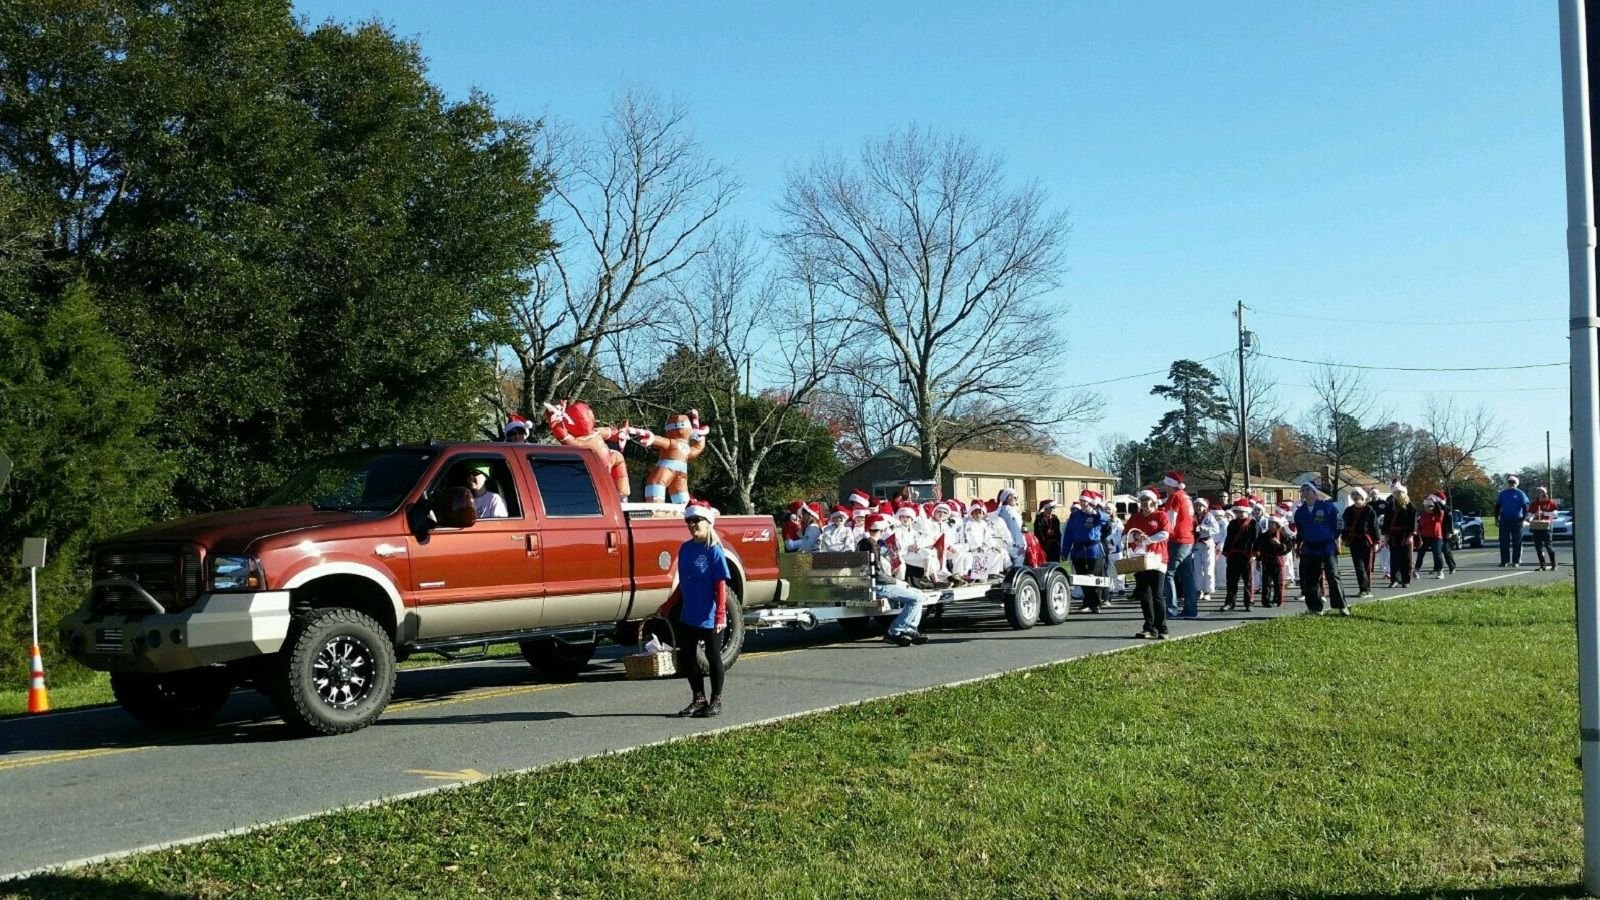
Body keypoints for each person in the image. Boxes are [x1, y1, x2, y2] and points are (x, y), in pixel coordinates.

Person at [657, 501, 730, 719]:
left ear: (708, 523)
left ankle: (716, 699)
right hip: (689, 614)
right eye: (688, 521)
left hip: (710, 615)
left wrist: (720, 614)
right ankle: (698, 699)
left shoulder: (714, 551)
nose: (692, 525)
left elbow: (721, 585)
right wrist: (668, 604)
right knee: (686, 657)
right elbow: (684, 583)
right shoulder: (686, 548)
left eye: (696, 520)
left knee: (712, 656)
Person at [857, 514, 937, 647]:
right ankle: (895, 631)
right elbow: (877, 574)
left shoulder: (863, 542)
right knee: (916, 598)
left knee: (919, 594)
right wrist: (897, 582)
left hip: (870, 583)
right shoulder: (871, 544)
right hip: (877, 585)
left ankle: (909, 630)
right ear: (881, 530)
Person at [632, 411, 709, 505]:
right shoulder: (672, 442)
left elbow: (695, 450)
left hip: (680, 474)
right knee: (658, 483)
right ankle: (656, 506)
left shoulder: (684, 447)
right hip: (667, 469)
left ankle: (683, 507)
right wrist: (651, 438)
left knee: (680, 491)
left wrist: (700, 443)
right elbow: (659, 440)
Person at [1294, 481, 1348, 615]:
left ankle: (1341, 606)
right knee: (1310, 579)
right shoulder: (1300, 512)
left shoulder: (1327, 507)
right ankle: (1315, 607)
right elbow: (1299, 530)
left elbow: (1339, 524)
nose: (1305, 492)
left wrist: (1332, 536)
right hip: (1310, 548)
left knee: (1333, 576)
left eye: (1307, 489)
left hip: (1327, 546)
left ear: (1314, 492)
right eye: (1303, 490)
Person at [1125, 489, 1171, 639]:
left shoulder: (1160, 515)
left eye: (1147, 500)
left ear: (1153, 502)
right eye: (1142, 500)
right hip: (1140, 558)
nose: (1145, 503)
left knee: (1157, 594)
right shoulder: (1135, 517)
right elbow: (1125, 536)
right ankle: (1149, 627)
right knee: (1144, 595)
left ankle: (1162, 628)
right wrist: (1135, 536)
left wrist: (1147, 539)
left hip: (1157, 559)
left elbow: (1165, 533)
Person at [1062, 491, 1112, 612]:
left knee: (1094, 577)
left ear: (1090, 502)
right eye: (1082, 501)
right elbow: (1068, 534)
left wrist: (1095, 513)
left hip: (1094, 550)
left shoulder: (1096, 515)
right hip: (1078, 550)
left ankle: (1094, 603)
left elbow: (1106, 519)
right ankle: (1089, 602)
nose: (1083, 503)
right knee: (1082, 578)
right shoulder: (1075, 516)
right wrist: (1065, 550)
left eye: (1085, 501)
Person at [1159, 472, 1197, 619]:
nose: (1165, 486)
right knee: (1187, 576)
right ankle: (1191, 609)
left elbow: (1171, 518)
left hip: (1178, 539)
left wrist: (1166, 533)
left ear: (1170, 484)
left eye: (1166, 484)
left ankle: (1171, 609)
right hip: (1188, 538)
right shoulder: (1186, 496)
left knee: (1168, 573)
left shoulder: (1175, 497)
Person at [1341, 488, 1381, 598]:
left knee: (1367, 566)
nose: (1355, 496)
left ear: (1362, 496)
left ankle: (1367, 589)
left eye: (1357, 494)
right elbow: (1343, 525)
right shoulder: (1348, 510)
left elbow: (1375, 526)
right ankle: (1363, 589)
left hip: (1366, 541)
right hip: (1354, 541)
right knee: (1359, 566)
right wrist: (1344, 538)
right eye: (1353, 494)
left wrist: (1377, 541)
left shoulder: (1369, 510)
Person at [1220, 499, 1256, 611]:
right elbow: (1228, 539)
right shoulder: (1232, 524)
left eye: (1241, 512)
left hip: (1247, 555)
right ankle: (1230, 602)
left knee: (1248, 581)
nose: (1239, 514)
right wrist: (1226, 553)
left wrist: (1254, 554)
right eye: (1237, 512)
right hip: (1233, 555)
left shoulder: (1253, 524)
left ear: (1247, 511)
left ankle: (1249, 602)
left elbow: (1255, 540)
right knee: (1231, 580)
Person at [1384, 483, 1417, 588]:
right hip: (1394, 535)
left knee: (1406, 558)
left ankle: (1406, 580)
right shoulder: (1390, 506)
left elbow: (1413, 522)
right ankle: (1394, 579)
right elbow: (1386, 522)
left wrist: (1411, 535)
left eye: (1400, 492)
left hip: (1405, 535)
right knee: (1394, 559)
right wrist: (1385, 536)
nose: (1398, 494)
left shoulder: (1410, 506)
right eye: (1396, 493)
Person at [1493, 474, 1530, 567]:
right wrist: (1496, 519)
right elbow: (1498, 506)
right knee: (1504, 542)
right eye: (1509, 482)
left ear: (1516, 483)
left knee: (1517, 542)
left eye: (1513, 482)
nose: (1511, 484)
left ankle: (1516, 561)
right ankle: (1504, 561)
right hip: (1505, 520)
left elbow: (1525, 507)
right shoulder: (1503, 493)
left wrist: (1523, 519)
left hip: (1517, 520)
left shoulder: (1520, 494)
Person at [1191, 497, 1220, 605]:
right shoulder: (1193, 517)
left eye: (1200, 506)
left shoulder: (1209, 517)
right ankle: (1199, 590)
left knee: (1208, 569)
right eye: (1196, 505)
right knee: (1197, 570)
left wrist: (1205, 529)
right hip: (1197, 545)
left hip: (1207, 545)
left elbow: (1216, 529)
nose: (1198, 507)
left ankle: (1208, 591)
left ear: (1205, 507)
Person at [1255, 519, 1289, 608]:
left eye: (1273, 523)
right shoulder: (1264, 535)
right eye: (1269, 523)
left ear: (1277, 524)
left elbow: (1288, 547)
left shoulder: (1282, 534)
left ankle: (1277, 600)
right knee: (1266, 582)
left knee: (1278, 582)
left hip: (1278, 560)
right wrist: (1258, 558)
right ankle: (1266, 601)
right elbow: (1258, 547)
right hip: (1267, 561)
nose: (1270, 525)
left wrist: (1279, 544)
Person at [1529, 486, 1560, 570]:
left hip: (1547, 526)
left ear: (1545, 493)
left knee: (1548, 546)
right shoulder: (1534, 503)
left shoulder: (1550, 502)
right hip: (1537, 526)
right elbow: (1529, 516)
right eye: (1538, 491)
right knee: (1538, 547)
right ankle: (1542, 565)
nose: (1539, 493)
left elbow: (1555, 515)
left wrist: (1544, 513)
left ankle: (1554, 564)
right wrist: (1534, 514)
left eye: (1541, 491)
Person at [1417, 496, 1447, 579]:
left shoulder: (1438, 514)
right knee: (1420, 554)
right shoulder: (1423, 515)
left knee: (1437, 554)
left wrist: (1436, 501)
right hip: (1425, 537)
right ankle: (1416, 570)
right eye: (1426, 506)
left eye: (1430, 506)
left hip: (1436, 537)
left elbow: (1444, 508)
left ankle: (1440, 571)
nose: (1428, 508)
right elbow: (1420, 526)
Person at [995, 488, 1025, 568]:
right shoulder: (1009, 511)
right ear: (1008, 498)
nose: (1016, 499)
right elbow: (1014, 529)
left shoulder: (1003, 509)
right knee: (1019, 558)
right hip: (1012, 542)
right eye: (1015, 497)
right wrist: (1020, 544)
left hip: (1005, 541)